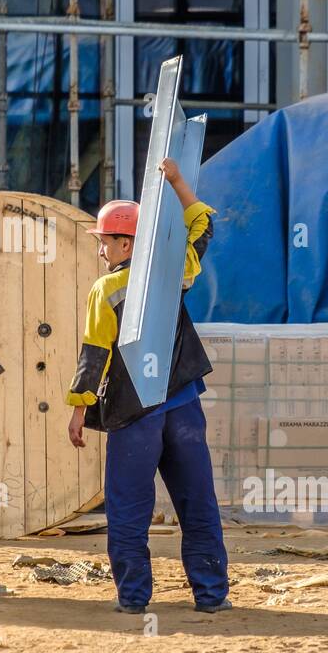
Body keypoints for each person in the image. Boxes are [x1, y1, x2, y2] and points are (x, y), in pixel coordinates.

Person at [66, 158, 230, 614]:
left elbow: (94, 355)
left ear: (126, 242)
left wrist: (79, 408)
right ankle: (211, 597)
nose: (102, 251)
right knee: (197, 503)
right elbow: (203, 226)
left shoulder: (106, 290)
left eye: (106, 242)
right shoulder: (174, 271)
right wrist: (178, 182)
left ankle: (135, 600)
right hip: (182, 405)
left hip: (136, 412)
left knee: (128, 510)